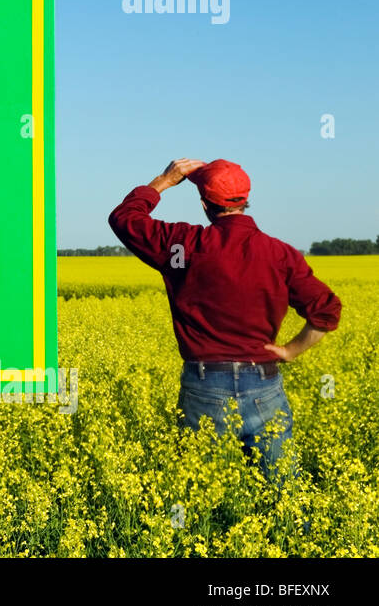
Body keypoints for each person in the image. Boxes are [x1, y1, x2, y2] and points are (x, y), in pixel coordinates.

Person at [107, 158, 341, 479]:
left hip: (204, 385)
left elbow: (124, 218)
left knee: (198, 490)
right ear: (246, 200)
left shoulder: (181, 246)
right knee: (281, 487)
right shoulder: (279, 253)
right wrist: (290, 350)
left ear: (204, 205)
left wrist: (165, 180)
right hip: (263, 383)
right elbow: (326, 311)